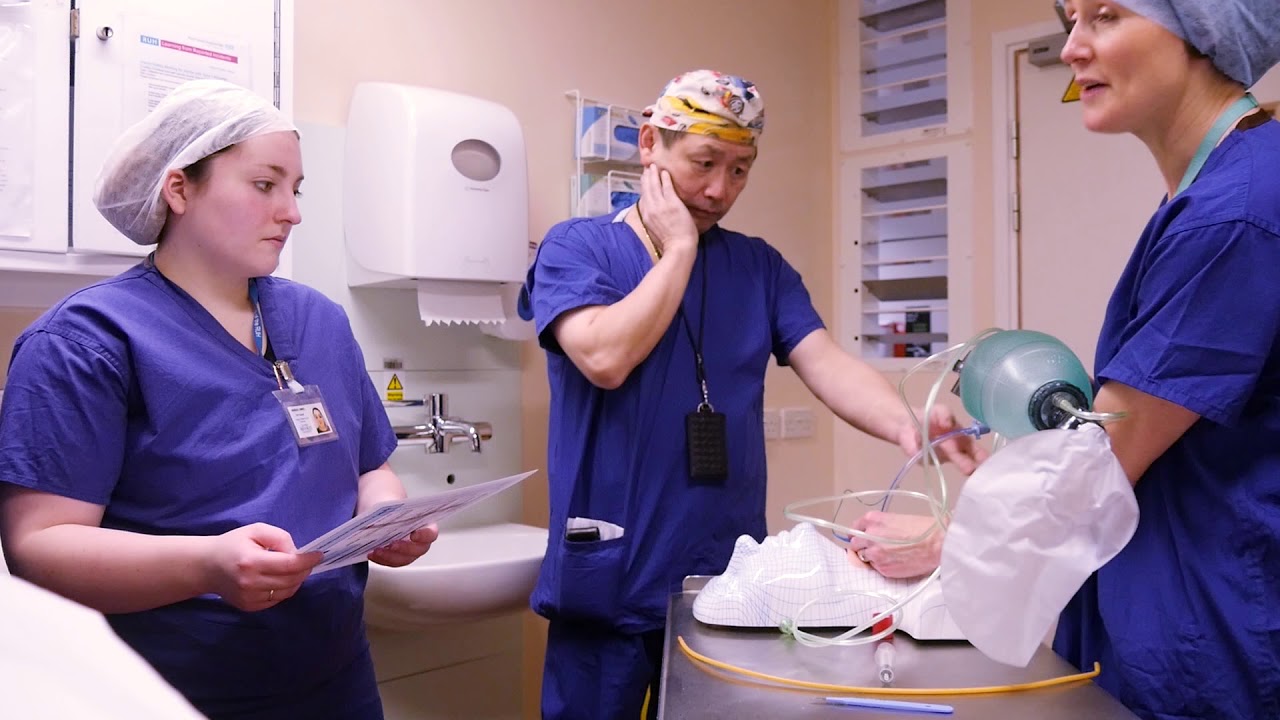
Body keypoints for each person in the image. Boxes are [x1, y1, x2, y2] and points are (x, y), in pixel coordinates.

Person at [849, 3, 1280, 718]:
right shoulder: (1216, 193)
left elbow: (1107, 457)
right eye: (1070, 17)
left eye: (1105, 16)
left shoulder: (1236, 212)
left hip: (1212, 639)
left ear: (1205, 28)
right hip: (1173, 607)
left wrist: (949, 540)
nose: (1073, 47)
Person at [518, 69, 986, 720]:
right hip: (614, 576)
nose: (720, 190)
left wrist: (908, 422)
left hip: (727, 584)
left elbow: (824, 361)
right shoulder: (579, 248)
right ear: (650, 143)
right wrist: (679, 249)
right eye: (705, 163)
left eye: (740, 170)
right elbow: (604, 356)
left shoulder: (758, 267)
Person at [0, 79, 437, 719]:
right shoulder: (85, 342)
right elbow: (38, 546)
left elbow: (369, 465)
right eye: (266, 185)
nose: (291, 212)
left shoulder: (318, 320)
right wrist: (207, 565)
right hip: (176, 690)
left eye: (296, 189)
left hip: (335, 675)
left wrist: (385, 518)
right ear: (179, 190)